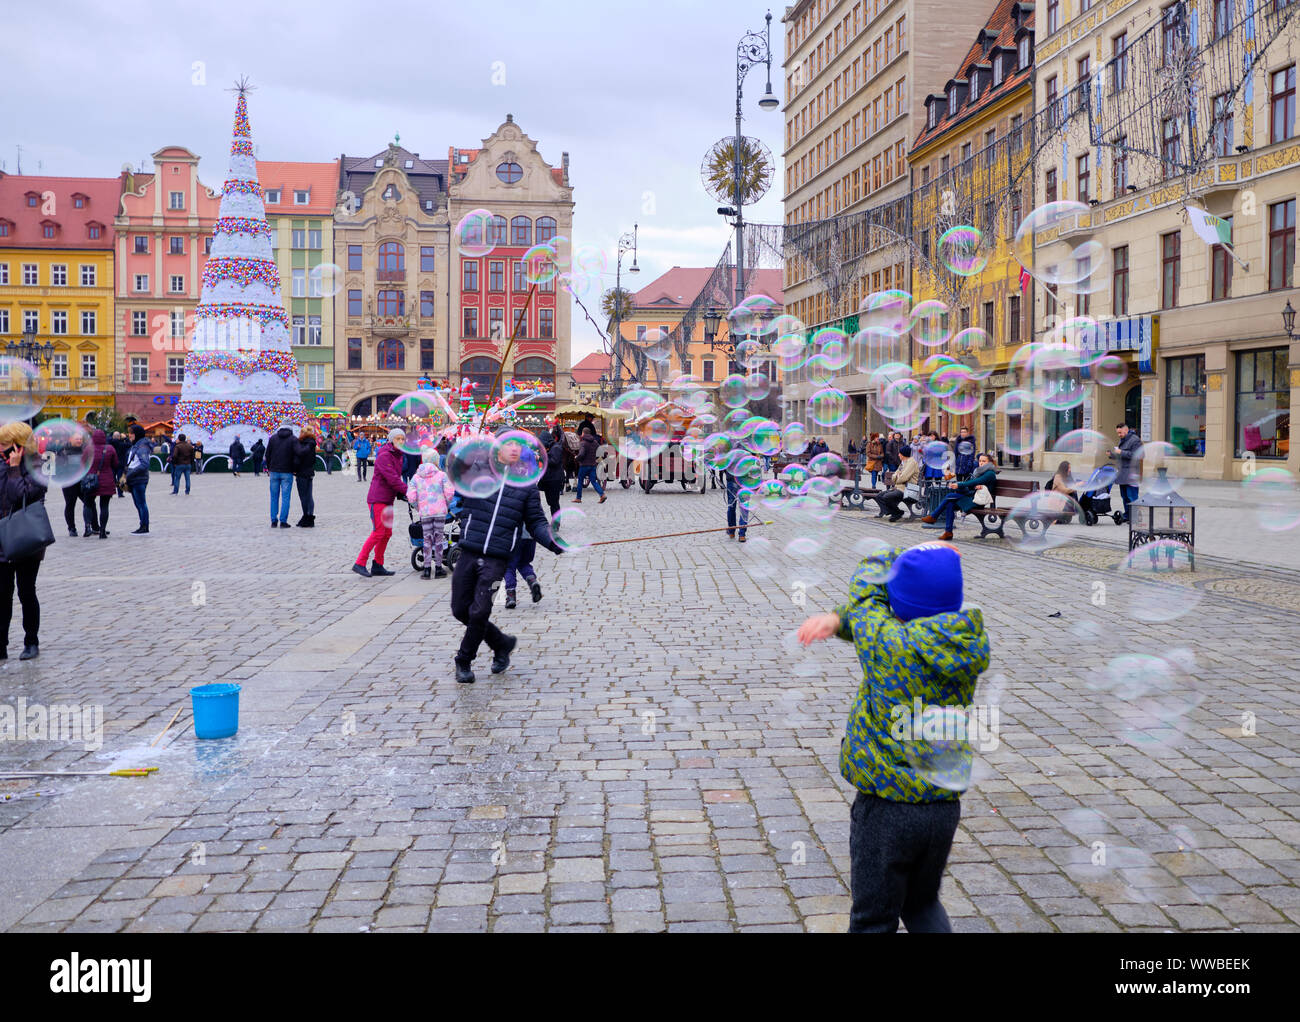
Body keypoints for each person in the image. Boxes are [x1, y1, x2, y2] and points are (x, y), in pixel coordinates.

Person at [796, 541, 990, 932]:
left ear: (897, 604)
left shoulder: (890, 644)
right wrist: (930, 559)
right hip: (941, 807)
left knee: (873, 919)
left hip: (887, 810)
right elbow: (871, 612)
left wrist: (905, 550)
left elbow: (867, 595)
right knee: (922, 906)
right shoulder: (966, 642)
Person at [450, 436, 564, 683]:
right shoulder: (479, 472)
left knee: (480, 611)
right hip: (470, 549)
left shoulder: (526, 485)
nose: (515, 448)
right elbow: (457, 483)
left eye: (518, 445)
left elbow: (536, 521)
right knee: (460, 609)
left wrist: (552, 541)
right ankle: (501, 643)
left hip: (497, 557)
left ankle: (464, 659)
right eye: (509, 443)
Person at [0, 422, 49, 660]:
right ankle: (1, 643)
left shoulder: (38, 466)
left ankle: (31, 641)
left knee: (26, 591)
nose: (0, 447)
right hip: (2, 537)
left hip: (27, 538)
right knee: (2, 593)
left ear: (18, 445)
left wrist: (14, 469)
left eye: (4, 444)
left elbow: (20, 495)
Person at [352, 428, 407, 577]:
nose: (401, 442)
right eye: (398, 439)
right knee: (378, 532)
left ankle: (378, 564)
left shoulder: (398, 455)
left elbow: (397, 477)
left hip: (388, 499)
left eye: (403, 439)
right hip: (378, 499)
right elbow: (392, 478)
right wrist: (407, 491)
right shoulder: (385, 455)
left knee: (387, 533)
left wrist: (401, 493)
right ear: (391, 440)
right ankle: (359, 563)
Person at [922, 453, 998, 541]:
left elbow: (976, 481)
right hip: (971, 497)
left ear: (989, 462)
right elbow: (972, 483)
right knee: (950, 503)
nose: (981, 463)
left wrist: (959, 485)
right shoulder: (979, 471)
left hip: (978, 501)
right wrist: (969, 486)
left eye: (984, 461)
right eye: (980, 461)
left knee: (950, 496)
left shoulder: (990, 473)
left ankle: (933, 516)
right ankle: (948, 532)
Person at [407, 447, 454, 579]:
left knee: (426, 539)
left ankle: (427, 569)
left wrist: (418, 507)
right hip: (440, 512)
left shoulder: (416, 477)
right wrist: (446, 504)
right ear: (436, 461)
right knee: (439, 539)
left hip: (425, 513)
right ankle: (439, 568)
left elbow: (410, 497)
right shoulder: (442, 475)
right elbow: (450, 493)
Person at [84, 429, 119, 538]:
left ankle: (88, 528)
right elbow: (116, 464)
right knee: (104, 506)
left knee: (88, 504)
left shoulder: (88, 449)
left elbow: (83, 464)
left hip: (90, 480)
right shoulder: (110, 449)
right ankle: (102, 531)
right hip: (107, 480)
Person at [875, 445, 921, 522]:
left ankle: (896, 513)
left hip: (906, 490)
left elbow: (903, 478)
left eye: (900, 453)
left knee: (887, 497)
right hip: (898, 488)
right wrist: (898, 476)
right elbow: (894, 476)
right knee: (879, 496)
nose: (898, 455)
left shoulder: (911, 463)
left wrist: (898, 477)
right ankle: (895, 512)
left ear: (903, 454)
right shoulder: (903, 463)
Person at [265, 424, 298, 528]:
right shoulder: (293, 439)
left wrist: (269, 467)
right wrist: (294, 469)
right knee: (285, 497)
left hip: (274, 471)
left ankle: (273, 521)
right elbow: (296, 456)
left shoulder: (273, 438)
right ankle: (283, 521)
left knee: (274, 497)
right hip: (287, 472)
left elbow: (267, 454)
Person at [124, 424, 153, 534]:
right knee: (138, 503)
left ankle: (144, 525)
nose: (129, 435)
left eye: (131, 433)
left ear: (137, 434)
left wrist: (130, 473)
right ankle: (142, 524)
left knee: (141, 503)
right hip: (134, 479)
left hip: (139, 479)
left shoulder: (142, 447)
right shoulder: (136, 445)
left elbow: (144, 464)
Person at [1113, 422, 1142, 523]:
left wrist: (1121, 452)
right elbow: (1122, 455)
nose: (1119, 435)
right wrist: (1112, 454)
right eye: (1118, 433)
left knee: (1132, 496)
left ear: (1126, 430)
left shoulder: (1135, 440)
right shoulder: (1123, 439)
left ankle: (1135, 517)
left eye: (1120, 432)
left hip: (1131, 473)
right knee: (1124, 496)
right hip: (1123, 473)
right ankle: (1127, 515)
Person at [540, 426, 566, 521]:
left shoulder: (556, 448)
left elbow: (554, 461)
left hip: (555, 480)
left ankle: (556, 523)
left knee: (554, 503)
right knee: (551, 502)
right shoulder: (550, 448)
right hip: (548, 479)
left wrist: (541, 457)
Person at [573, 429, 606, 503]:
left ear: (583, 433)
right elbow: (601, 451)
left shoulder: (583, 443)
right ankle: (602, 495)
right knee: (593, 481)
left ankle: (578, 498)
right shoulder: (594, 442)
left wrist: (576, 458)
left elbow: (581, 454)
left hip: (584, 465)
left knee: (580, 481)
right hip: (593, 465)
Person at [294, 426, 318, 528]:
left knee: (303, 496)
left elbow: (297, 459)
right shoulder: (312, 444)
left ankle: (306, 517)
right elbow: (313, 460)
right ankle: (310, 516)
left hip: (301, 473)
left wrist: (294, 467)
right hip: (309, 472)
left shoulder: (301, 444)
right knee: (309, 496)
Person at [724, 465, 750, 542]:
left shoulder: (728, 453)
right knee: (744, 507)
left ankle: (731, 531)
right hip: (744, 480)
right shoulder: (748, 453)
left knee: (731, 506)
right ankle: (742, 534)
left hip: (731, 480)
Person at [110, 431, 130, 497]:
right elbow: (129, 444)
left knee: (112, 478)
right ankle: (120, 493)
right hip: (120, 464)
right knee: (120, 478)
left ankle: (111, 492)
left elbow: (107, 438)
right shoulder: (122, 444)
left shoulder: (110, 443)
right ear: (119, 437)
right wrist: (125, 438)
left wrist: (112, 435)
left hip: (112, 463)